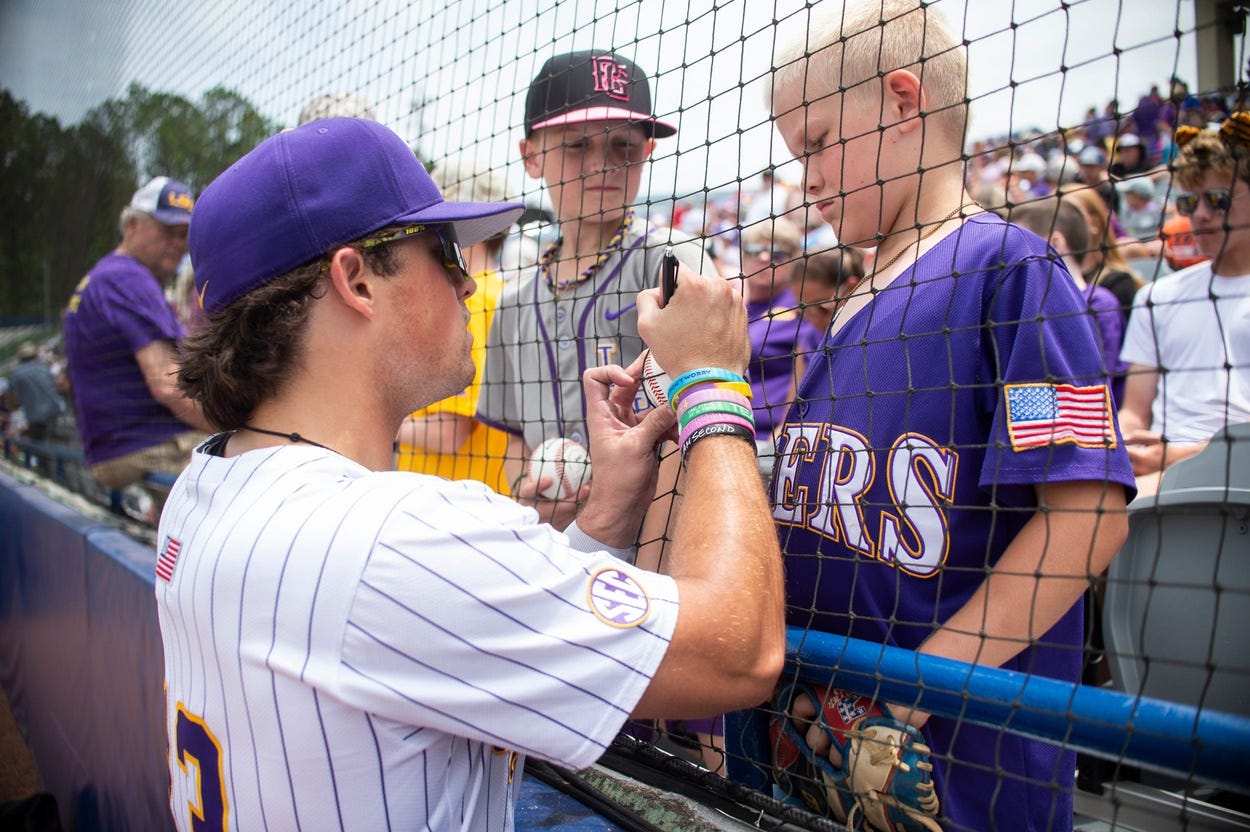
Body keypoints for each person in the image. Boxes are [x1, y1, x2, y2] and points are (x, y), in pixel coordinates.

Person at [159, 117, 784, 831]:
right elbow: (739, 652)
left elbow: (452, 621)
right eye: (443, 251)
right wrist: (710, 380)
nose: (466, 279)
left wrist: (608, 510)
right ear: (357, 281)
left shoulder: (205, 484)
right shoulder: (399, 538)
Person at [766, 2, 1133, 829]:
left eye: (817, 143)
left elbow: (1089, 519)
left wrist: (906, 696)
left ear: (903, 101)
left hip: (965, 770)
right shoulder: (855, 297)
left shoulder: (1013, 269)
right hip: (824, 744)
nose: (807, 179)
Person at [478, 50, 720, 529]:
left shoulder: (671, 261)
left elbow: (704, 423)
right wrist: (529, 499)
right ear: (530, 156)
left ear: (647, 151)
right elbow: (515, 442)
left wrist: (625, 538)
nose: (602, 164)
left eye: (623, 145)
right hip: (550, 546)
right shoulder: (513, 302)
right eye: (576, 145)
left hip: (656, 542)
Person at [1118, 118, 1250, 496]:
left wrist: (1179, 456)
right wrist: (1122, 445)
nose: (1201, 215)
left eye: (1218, 199)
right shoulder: (1157, 297)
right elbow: (1135, 411)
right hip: (1159, 474)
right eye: (1189, 202)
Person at [62, 177, 212, 500]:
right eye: (167, 231)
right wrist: (234, 425)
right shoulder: (128, 277)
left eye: (184, 234)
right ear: (133, 226)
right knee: (265, 459)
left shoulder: (104, 275)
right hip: (144, 445)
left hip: (117, 446)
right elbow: (169, 386)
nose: (178, 243)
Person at [395, 159, 515, 493]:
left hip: (448, 498)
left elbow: (449, 433)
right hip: (482, 495)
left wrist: (375, 422)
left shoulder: (470, 301)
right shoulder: (503, 294)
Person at [1011, 198, 1128, 406]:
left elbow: (1098, 385)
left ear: (1055, 243)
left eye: (1019, 244)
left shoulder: (1099, 303)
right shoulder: (1024, 306)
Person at [737, 219, 822, 457]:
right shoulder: (734, 304)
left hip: (771, 438)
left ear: (793, 261)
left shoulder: (805, 307)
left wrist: (782, 433)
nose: (764, 258)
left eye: (777, 254)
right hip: (728, 424)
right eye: (755, 250)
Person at [788, 246, 865, 334]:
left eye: (821, 309)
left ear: (852, 288)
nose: (814, 321)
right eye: (803, 312)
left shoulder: (872, 329)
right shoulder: (812, 337)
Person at [4, 343, 64, 443]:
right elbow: (55, 386)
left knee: (37, 442)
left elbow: (10, 397)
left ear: (20, 358)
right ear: (34, 355)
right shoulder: (44, 368)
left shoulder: (16, 373)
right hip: (55, 409)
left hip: (35, 416)